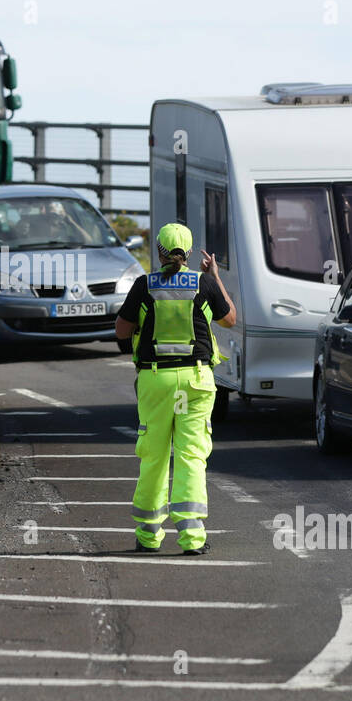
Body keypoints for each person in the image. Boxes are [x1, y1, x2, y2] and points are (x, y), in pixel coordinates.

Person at [114, 223, 237, 555]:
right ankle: (192, 539)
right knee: (191, 456)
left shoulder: (145, 286)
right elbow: (230, 319)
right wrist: (214, 275)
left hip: (157, 380)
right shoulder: (203, 283)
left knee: (153, 456)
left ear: (159, 251)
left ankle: (148, 535)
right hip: (195, 381)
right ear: (190, 251)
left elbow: (122, 331)